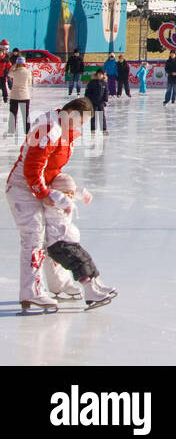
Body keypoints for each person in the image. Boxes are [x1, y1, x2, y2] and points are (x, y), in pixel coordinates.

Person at [5, 97, 116, 312]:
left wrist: (72, 191)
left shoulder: (64, 131)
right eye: (81, 121)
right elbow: (32, 167)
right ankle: (31, 291)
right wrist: (43, 193)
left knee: (53, 238)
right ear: (71, 113)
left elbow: (51, 169)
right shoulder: (49, 130)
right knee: (34, 238)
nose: (82, 126)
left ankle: (59, 283)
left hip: (37, 186)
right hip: (23, 190)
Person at [42, 171, 114, 306]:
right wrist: (66, 203)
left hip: (68, 242)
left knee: (86, 259)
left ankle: (96, 284)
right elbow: (55, 194)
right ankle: (89, 291)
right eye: (66, 193)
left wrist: (84, 194)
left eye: (71, 193)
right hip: (58, 245)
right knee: (79, 264)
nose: (70, 196)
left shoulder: (66, 195)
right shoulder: (52, 200)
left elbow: (74, 191)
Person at [7, 56, 33, 136]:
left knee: (13, 114)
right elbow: (29, 83)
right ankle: (27, 130)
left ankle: (11, 130)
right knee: (26, 114)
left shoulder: (14, 72)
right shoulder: (28, 72)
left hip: (14, 95)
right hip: (25, 95)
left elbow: (9, 74)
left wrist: (14, 66)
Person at [86, 68, 109, 135]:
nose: (99, 75)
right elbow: (87, 92)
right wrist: (88, 100)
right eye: (98, 74)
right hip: (93, 102)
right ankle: (93, 129)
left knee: (102, 116)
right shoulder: (92, 82)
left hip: (101, 102)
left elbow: (106, 92)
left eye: (101, 74)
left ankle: (104, 129)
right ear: (96, 75)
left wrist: (105, 100)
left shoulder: (104, 83)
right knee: (93, 116)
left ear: (103, 75)